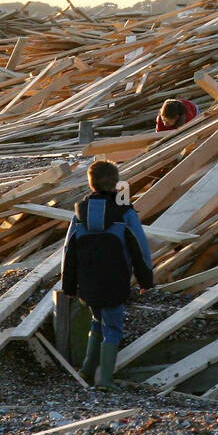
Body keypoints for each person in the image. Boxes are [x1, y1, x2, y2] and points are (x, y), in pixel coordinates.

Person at [61, 161, 153, 389]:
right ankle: (104, 379)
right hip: (115, 281)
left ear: (91, 184)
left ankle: (86, 370)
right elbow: (140, 248)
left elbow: (68, 253)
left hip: (87, 283)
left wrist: (69, 287)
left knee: (97, 320)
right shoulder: (125, 213)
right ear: (116, 183)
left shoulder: (79, 214)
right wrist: (146, 280)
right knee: (113, 327)